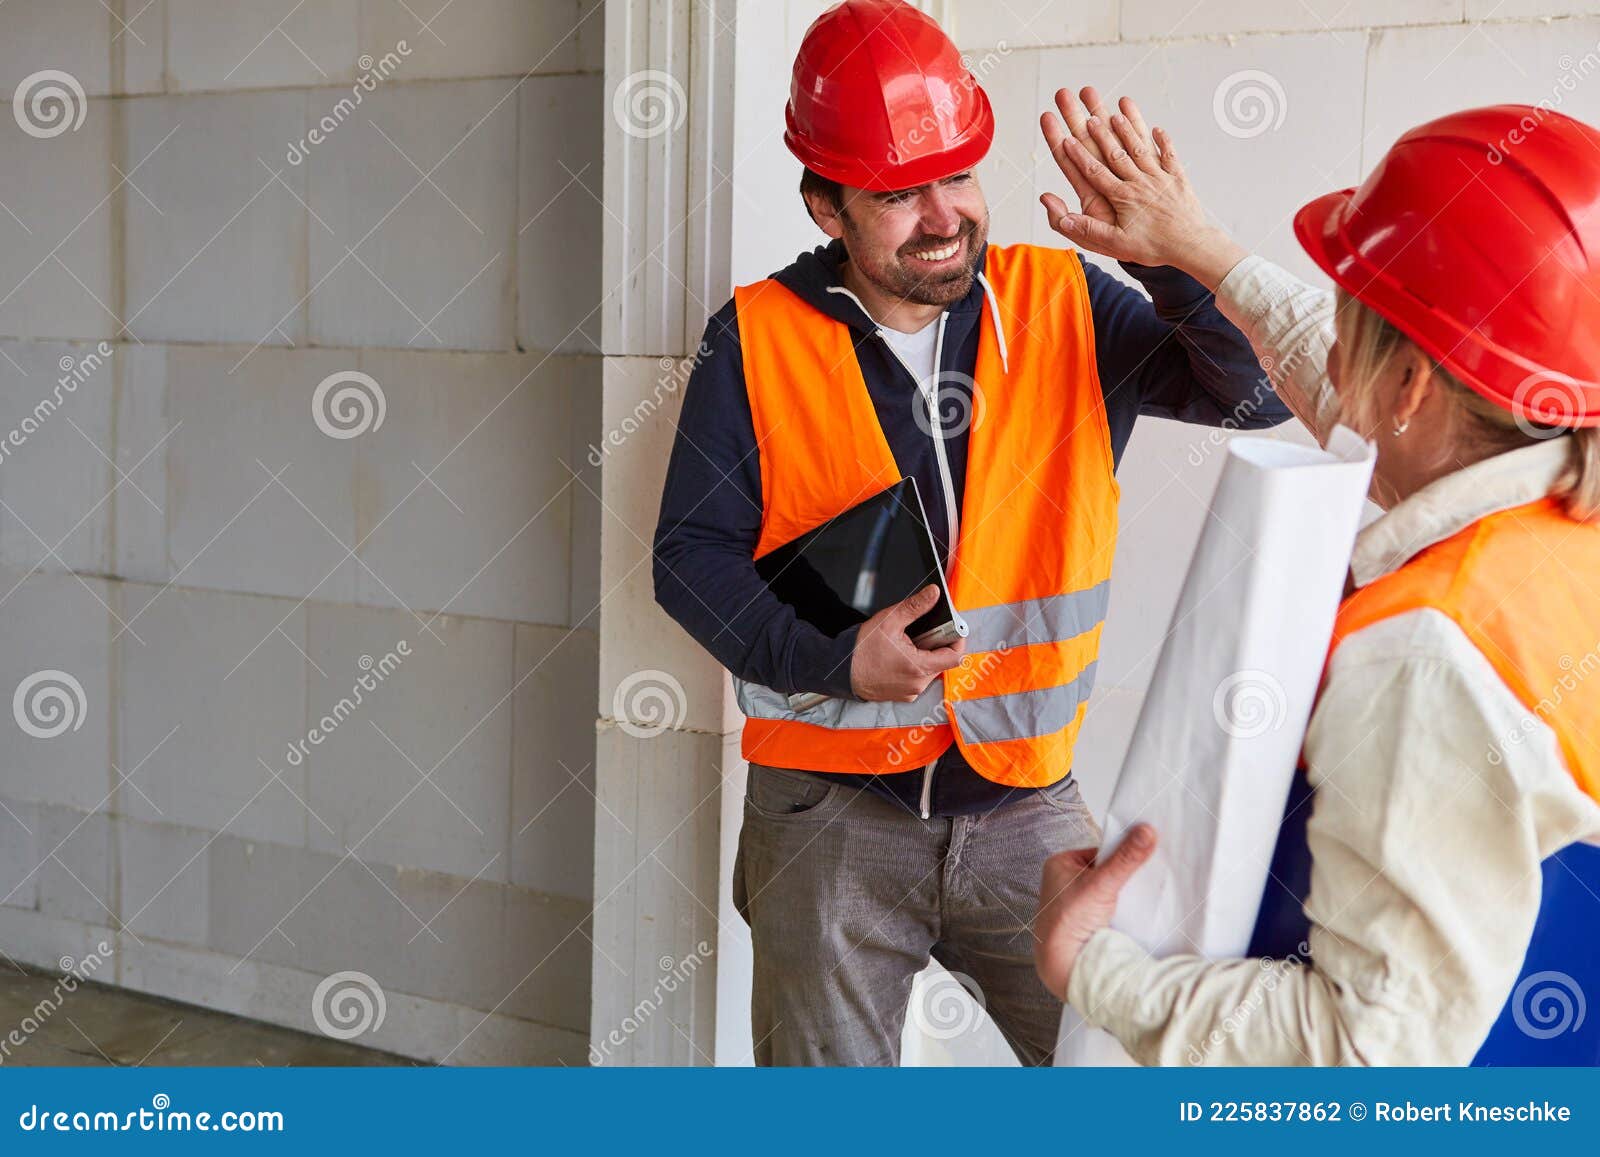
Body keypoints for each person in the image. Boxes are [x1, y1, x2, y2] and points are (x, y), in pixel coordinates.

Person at [652, 0, 1291, 1066]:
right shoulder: (753, 337)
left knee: (1113, 1078)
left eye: (955, 176)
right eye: (897, 193)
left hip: (1027, 811)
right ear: (825, 204)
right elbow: (688, 558)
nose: (942, 215)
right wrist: (833, 659)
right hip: (827, 819)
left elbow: (1255, 398)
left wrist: (1175, 259)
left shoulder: (1065, 301)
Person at [1031, 96, 1600, 1064]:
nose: (1333, 357)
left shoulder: (1426, 651)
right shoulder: (1551, 507)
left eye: (1352, 330)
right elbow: (1366, 396)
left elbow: (1367, 1052)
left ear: (1413, 386)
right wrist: (1199, 249)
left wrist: (1090, 964)